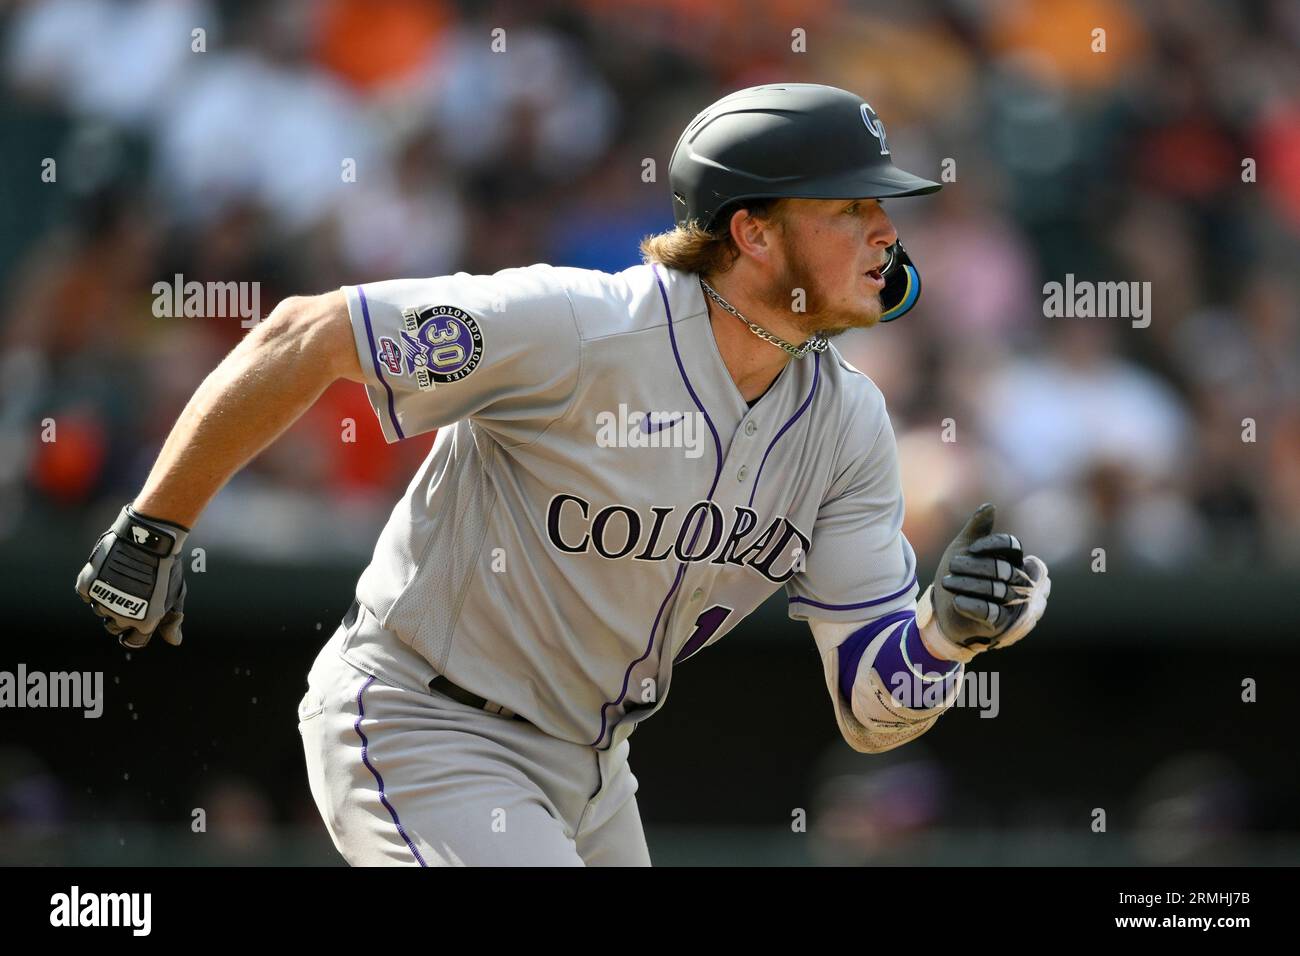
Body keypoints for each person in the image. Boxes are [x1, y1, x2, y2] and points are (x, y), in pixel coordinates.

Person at [76, 83, 1051, 866]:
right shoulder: (581, 328)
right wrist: (156, 524)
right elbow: (309, 331)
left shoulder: (845, 422)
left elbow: (873, 709)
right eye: (850, 207)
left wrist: (947, 632)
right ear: (753, 233)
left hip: (593, 766)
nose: (886, 231)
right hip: (427, 721)